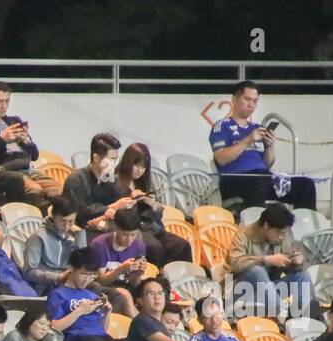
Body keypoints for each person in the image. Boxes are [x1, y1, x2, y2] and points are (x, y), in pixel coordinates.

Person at [209, 80, 316, 210]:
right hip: (235, 180)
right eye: (247, 99)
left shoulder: (258, 128)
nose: (251, 105)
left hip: (263, 178)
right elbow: (221, 159)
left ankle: (303, 227)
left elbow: (267, 164)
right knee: (259, 179)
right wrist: (247, 140)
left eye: (255, 101)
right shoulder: (222, 126)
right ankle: (257, 226)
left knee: (305, 184)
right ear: (234, 99)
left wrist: (270, 146)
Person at [0, 81, 59, 207]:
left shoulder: (15, 121)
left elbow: (35, 155)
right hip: (8, 172)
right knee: (35, 190)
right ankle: (34, 217)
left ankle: (51, 217)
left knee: (60, 191)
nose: (4, 106)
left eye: (7, 101)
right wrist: (1, 140)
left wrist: (26, 141)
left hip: (29, 168)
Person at [106, 142, 192, 265]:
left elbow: (157, 213)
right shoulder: (114, 182)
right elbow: (111, 211)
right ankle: (157, 278)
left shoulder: (143, 183)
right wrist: (131, 202)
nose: (140, 170)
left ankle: (179, 279)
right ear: (128, 162)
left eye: (143, 167)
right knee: (155, 247)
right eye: (137, 165)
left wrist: (153, 204)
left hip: (150, 227)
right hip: (130, 229)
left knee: (182, 245)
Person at [228, 202, 314, 318]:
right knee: (257, 271)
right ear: (266, 226)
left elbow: (292, 264)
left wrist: (297, 263)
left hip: (270, 291)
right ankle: (282, 313)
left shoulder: (283, 238)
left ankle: (300, 318)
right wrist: (265, 260)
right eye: (279, 233)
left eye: (284, 233)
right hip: (243, 291)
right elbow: (235, 264)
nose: (282, 237)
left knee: (303, 275)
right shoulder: (243, 235)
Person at [48, 248, 117, 341]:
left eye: (92, 275)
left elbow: (103, 329)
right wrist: (79, 311)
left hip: (100, 337)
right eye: (84, 274)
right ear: (72, 269)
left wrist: (107, 312)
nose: (87, 279)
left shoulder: (91, 294)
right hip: (77, 338)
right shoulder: (58, 294)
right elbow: (54, 327)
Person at [87, 207, 144, 316]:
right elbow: (100, 281)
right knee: (124, 295)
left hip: (127, 287)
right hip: (102, 288)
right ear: (116, 228)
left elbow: (134, 283)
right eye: (125, 235)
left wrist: (138, 274)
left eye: (133, 235)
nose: (129, 240)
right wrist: (121, 269)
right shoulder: (100, 244)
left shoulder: (139, 246)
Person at [63, 132, 125, 232]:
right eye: (111, 159)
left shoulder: (110, 178)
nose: (114, 164)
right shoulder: (75, 180)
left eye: (116, 159)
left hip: (107, 226)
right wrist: (112, 207)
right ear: (96, 158)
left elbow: (118, 202)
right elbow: (80, 214)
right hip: (81, 230)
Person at [22, 196, 83, 295]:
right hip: (46, 286)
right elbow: (28, 272)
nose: (67, 226)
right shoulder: (39, 237)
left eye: (71, 221)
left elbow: (84, 264)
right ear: (53, 217)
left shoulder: (73, 235)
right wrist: (58, 277)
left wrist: (80, 236)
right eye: (63, 221)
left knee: (97, 288)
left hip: (69, 282)